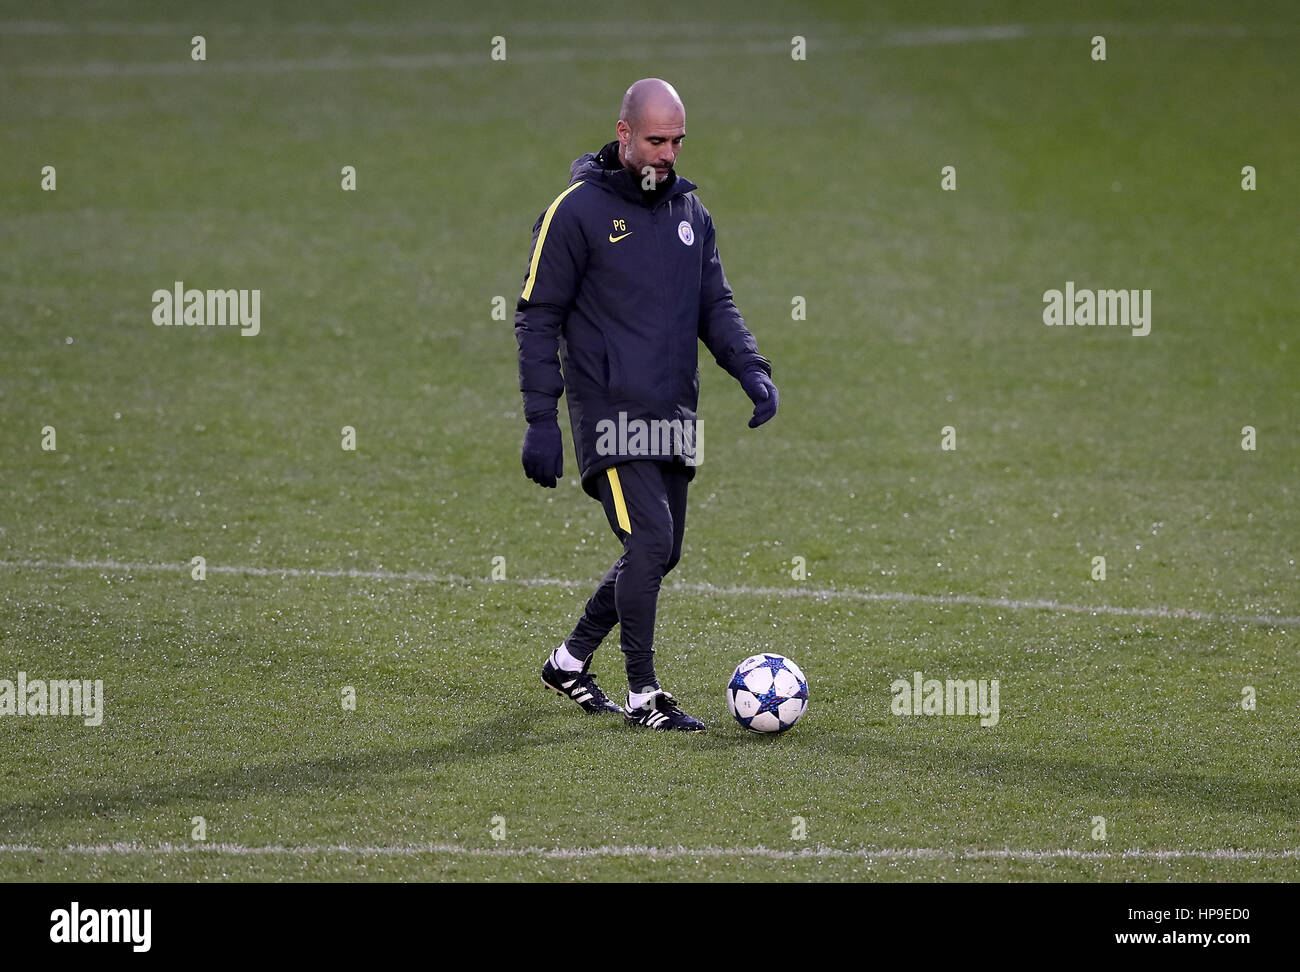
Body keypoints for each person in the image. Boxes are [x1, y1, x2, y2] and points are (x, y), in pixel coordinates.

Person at [514, 78, 779, 732]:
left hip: (674, 413)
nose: (667, 154)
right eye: (656, 140)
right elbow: (536, 317)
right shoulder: (575, 213)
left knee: (660, 553)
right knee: (650, 539)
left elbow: (714, 304)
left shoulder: (691, 216)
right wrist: (541, 420)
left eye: (677, 142)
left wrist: (750, 368)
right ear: (624, 133)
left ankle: (569, 660)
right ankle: (644, 695)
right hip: (610, 413)